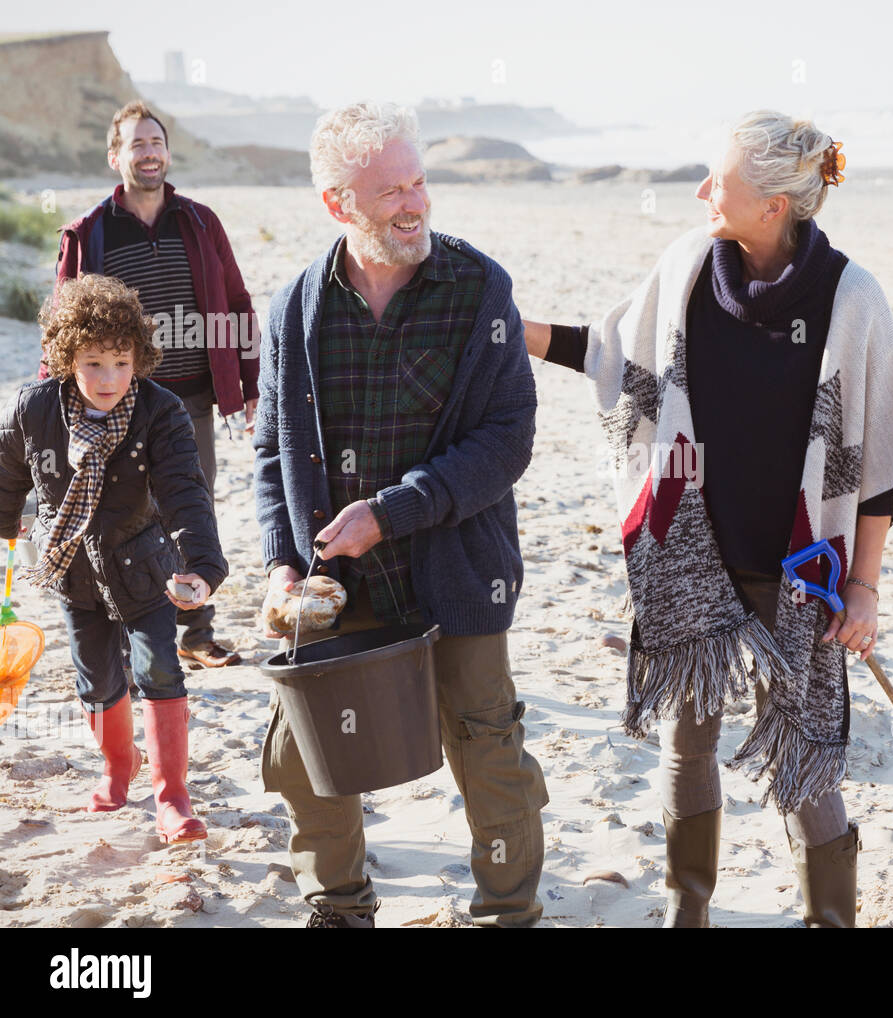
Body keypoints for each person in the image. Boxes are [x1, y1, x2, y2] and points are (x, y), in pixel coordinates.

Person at [524, 110, 893, 927]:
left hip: (798, 565)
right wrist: (508, 331)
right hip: (691, 552)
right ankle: (689, 912)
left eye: (720, 181)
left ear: (776, 204)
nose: (702, 191)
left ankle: (830, 918)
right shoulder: (684, 269)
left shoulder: (851, 300)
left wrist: (864, 587)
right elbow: (611, 352)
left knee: (805, 755)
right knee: (689, 739)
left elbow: (881, 466)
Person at [254, 101, 549, 928]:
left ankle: (506, 910)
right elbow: (272, 452)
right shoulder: (294, 309)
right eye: (390, 191)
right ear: (338, 203)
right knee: (308, 752)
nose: (414, 203)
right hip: (332, 575)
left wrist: (391, 511)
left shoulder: (479, 287)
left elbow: (507, 440)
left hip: (458, 568)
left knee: (488, 746)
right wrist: (282, 558)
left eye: (419, 181)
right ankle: (338, 906)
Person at [0, 274, 228, 842]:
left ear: (139, 359)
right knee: (98, 679)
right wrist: (12, 540)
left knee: (157, 668)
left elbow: (185, 492)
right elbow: (6, 481)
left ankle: (173, 796)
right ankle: (116, 772)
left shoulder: (161, 410)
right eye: (94, 363)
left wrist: (199, 567)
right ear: (64, 358)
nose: (109, 379)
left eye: (122, 363)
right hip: (71, 572)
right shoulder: (33, 409)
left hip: (144, 568)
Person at [39, 100, 258, 669]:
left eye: (155, 141)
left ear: (167, 150)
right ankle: (129, 630)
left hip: (189, 400)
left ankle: (194, 629)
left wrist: (252, 381)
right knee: (125, 515)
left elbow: (235, 302)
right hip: (116, 397)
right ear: (117, 157)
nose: (149, 152)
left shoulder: (201, 221)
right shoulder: (89, 233)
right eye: (136, 144)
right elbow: (62, 324)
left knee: (191, 507)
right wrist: (48, 402)